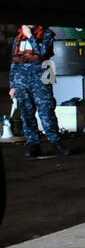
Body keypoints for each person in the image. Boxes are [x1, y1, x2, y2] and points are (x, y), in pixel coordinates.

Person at [9, 25, 70, 158]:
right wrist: (12, 85)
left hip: (42, 78)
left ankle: (56, 142)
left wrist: (30, 36)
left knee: (47, 112)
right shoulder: (19, 37)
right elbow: (14, 61)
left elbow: (42, 52)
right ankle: (33, 145)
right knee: (27, 114)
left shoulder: (47, 34)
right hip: (21, 81)